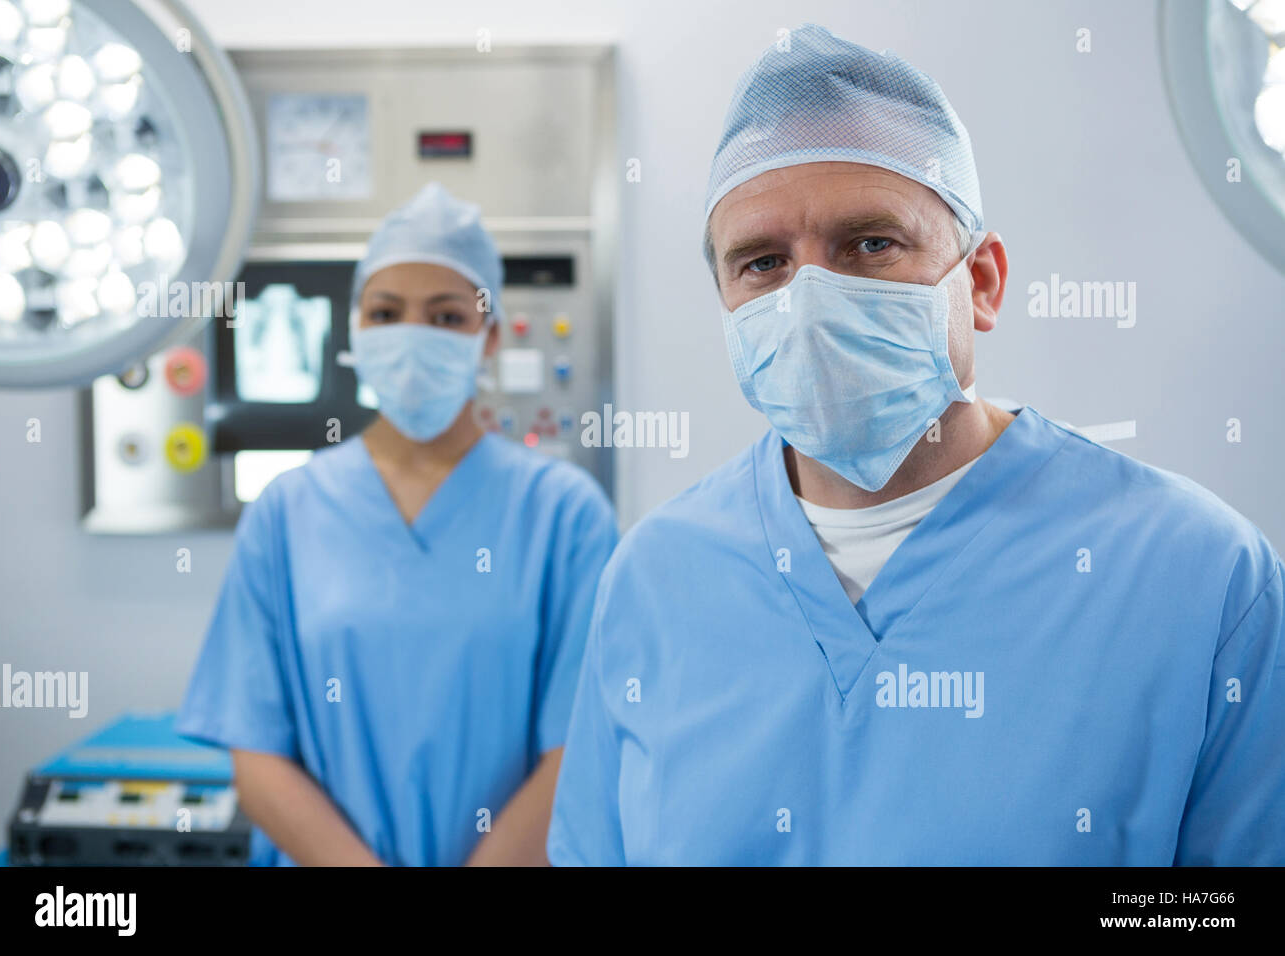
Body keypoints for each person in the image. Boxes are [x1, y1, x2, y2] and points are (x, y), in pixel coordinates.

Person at [547, 24, 1285, 865]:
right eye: (762, 263)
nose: (811, 296)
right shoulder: (656, 580)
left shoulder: (1195, 577)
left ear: (981, 281)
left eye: (870, 244)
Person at [177, 182, 618, 866]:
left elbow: (579, 751)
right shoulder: (287, 513)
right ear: (355, 330)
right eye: (386, 313)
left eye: (446, 317)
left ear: (490, 335)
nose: (413, 337)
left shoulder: (563, 515)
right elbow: (256, 753)